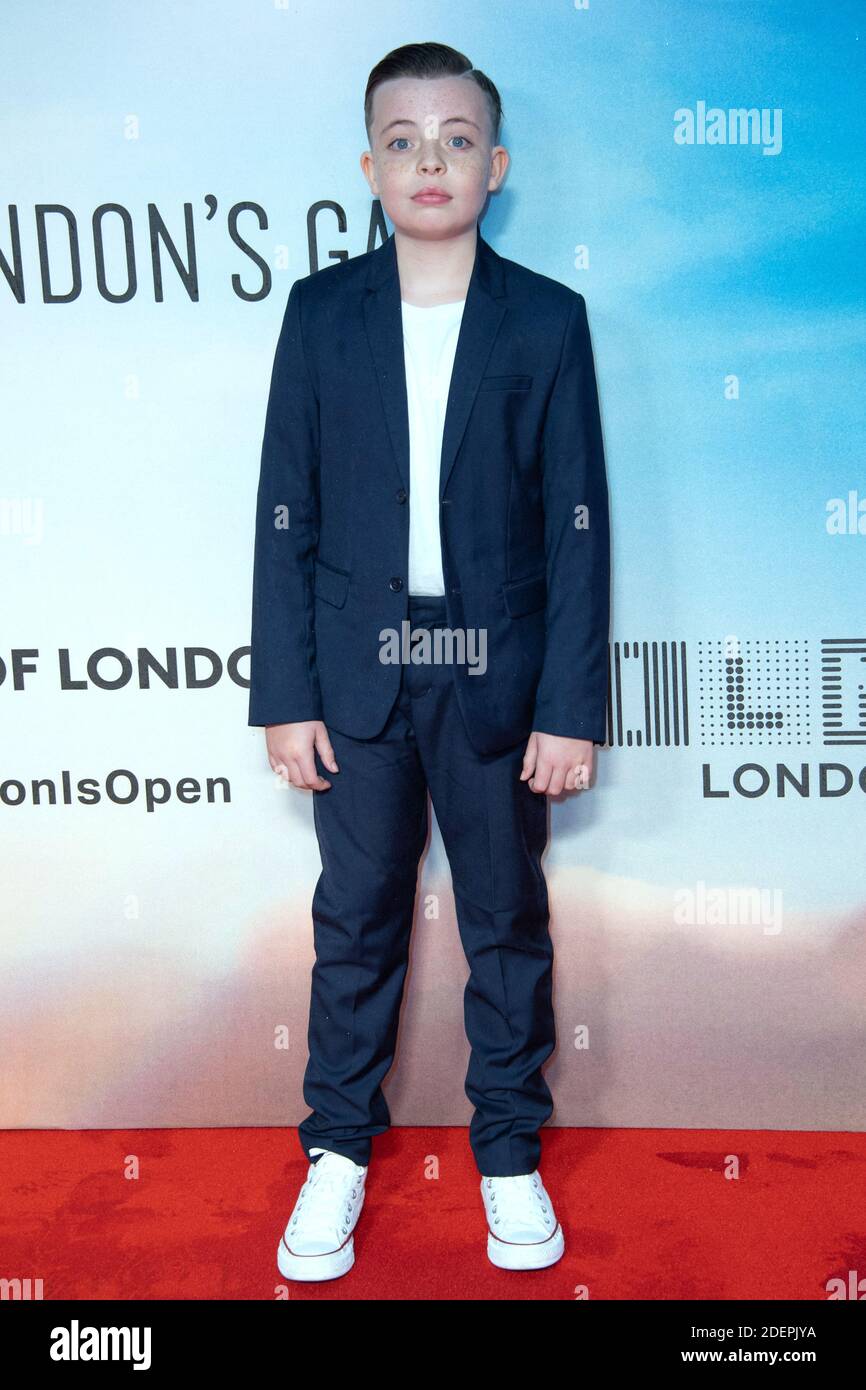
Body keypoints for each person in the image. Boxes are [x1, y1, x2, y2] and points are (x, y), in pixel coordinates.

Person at [248, 41, 610, 1282]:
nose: (429, 160)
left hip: (496, 676)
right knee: (354, 922)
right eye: (401, 139)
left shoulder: (548, 323)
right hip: (357, 671)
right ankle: (336, 1153)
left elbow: (578, 528)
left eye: (456, 138)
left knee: (505, 920)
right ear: (367, 167)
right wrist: (284, 693)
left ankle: (506, 1154)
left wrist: (569, 708)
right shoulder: (317, 314)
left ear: (495, 165)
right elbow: (281, 515)